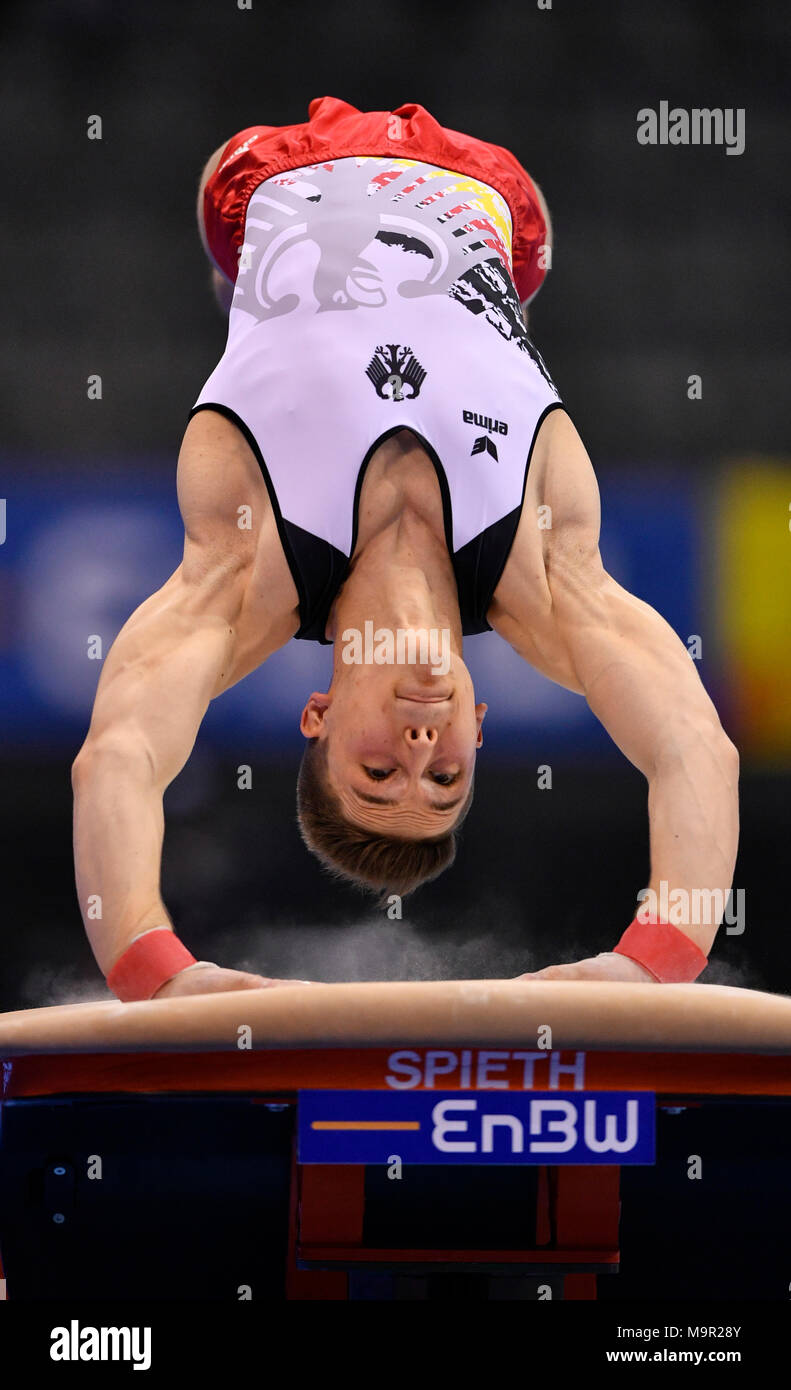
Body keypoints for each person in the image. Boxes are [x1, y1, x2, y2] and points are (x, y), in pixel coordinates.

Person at [71, 97, 739, 1002]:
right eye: (447, 772)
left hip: (276, 174)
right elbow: (695, 748)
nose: (420, 743)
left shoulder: (246, 574)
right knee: (519, 240)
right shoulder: (542, 576)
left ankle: (233, 285)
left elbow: (117, 757)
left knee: (228, 204)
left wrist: (152, 969)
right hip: (486, 193)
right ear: (480, 726)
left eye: (379, 770)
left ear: (316, 715)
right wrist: (654, 957)